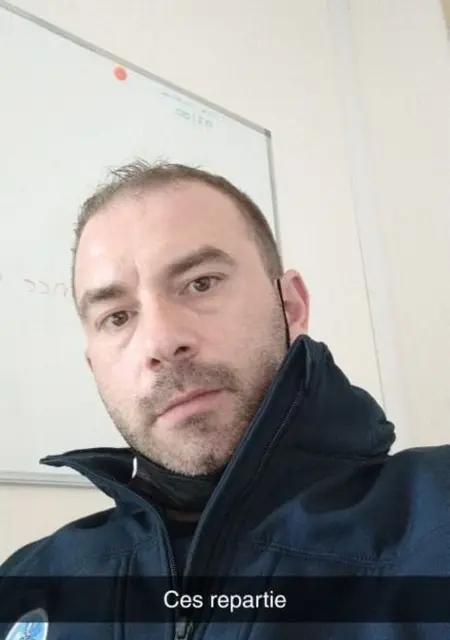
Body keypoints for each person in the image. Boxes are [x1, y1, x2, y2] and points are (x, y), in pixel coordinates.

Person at [1, 160, 450, 640]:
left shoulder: (435, 514)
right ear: (94, 366)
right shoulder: (24, 588)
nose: (161, 342)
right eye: (117, 317)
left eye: (201, 283)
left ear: (291, 306)